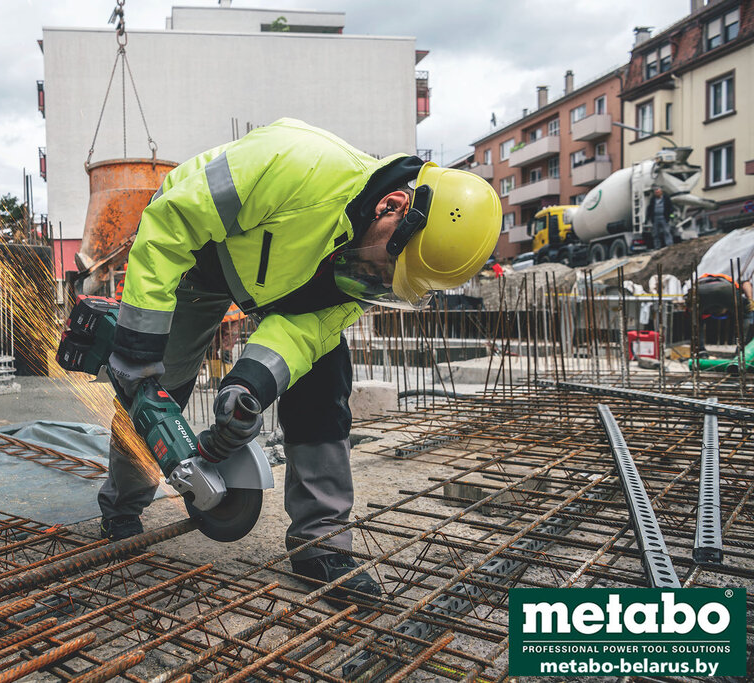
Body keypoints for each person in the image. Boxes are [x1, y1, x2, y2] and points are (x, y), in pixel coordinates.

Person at [96, 118, 501, 603]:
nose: (380, 282)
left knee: (324, 378)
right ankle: (122, 508)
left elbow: (304, 333)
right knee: (158, 384)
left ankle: (322, 542)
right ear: (391, 207)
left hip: (285, 279)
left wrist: (249, 386)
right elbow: (170, 222)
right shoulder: (296, 161)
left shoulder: (372, 269)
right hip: (201, 254)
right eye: (387, 269)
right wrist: (138, 348)